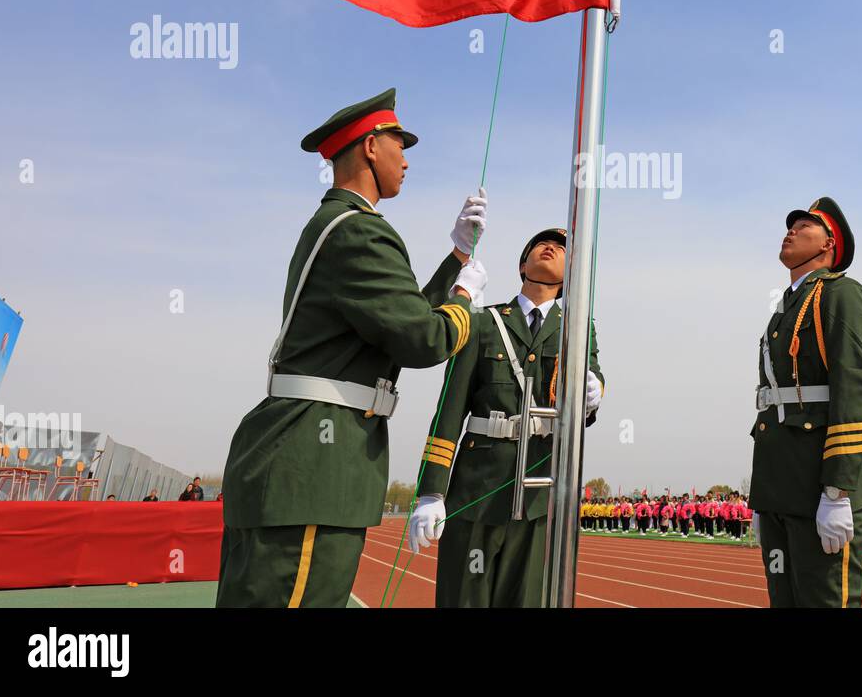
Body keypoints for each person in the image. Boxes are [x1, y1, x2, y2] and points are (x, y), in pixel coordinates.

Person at [217, 88, 486, 608]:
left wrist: (456, 257)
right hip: (317, 462)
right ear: (369, 147)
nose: (405, 160)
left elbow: (391, 316)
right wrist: (464, 300)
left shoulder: (340, 225)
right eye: (399, 145)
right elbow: (423, 338)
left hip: (301, 454)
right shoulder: (361, 232)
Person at [406, 228, 605, 606]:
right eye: (541, 245)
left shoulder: (577, 329)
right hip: (477, 491)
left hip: (538, 498)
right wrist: (431, 490)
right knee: (464, 599)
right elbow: (451, 407)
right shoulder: (483, 322)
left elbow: (590, 387)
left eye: (563, 248)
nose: (551, 248)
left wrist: (594, 395)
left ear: (570, 277)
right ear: (521, 265)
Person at [749, 197, 862, 608]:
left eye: (805, 225)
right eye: (791, 224)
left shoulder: (842, 294)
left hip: (818, 487)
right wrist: (763, 496)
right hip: (780, 489)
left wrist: (837, 491)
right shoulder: (783, 309)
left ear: (828, 245)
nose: (791, 230)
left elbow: (853, 389)